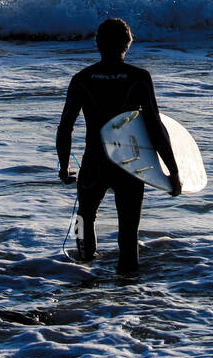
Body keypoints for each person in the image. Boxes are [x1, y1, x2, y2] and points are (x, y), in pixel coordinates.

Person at [56, 18, 180, 273]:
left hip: (94, 161)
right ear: (128, 43)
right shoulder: (139, 78)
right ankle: (128, 290)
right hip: (129, 164)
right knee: (128, 230)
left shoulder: (82, 79)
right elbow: (156, 127)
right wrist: (173, 171)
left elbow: (65, 126)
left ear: (97, 44)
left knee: (83, 217)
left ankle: (85, 272)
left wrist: (64, 163)